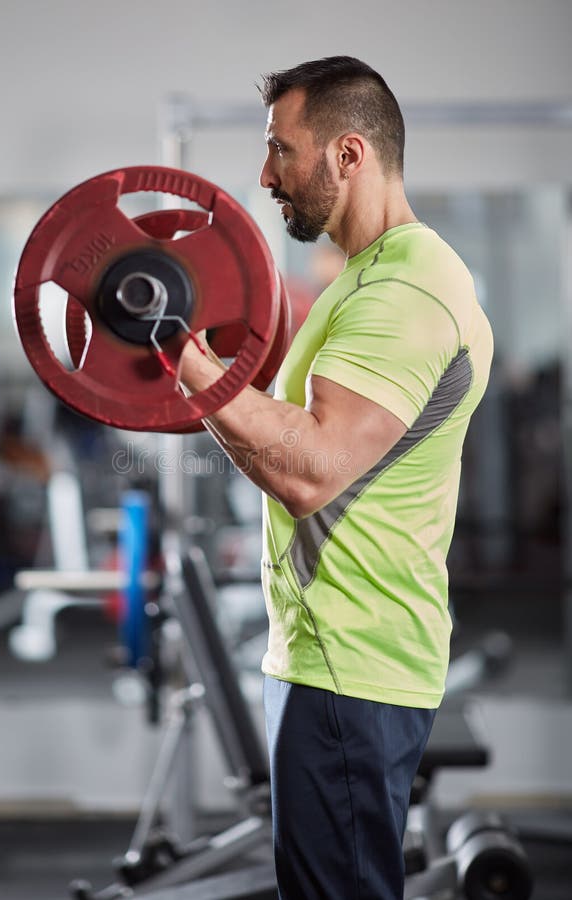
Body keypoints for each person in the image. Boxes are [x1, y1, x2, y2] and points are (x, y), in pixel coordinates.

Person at [180, 56, 493, 900]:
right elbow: (285, 455)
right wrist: (197, 371)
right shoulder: (369, 278)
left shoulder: (406, 290)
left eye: (282, 149)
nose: (266, 175)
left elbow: (309, 470)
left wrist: (182, 355)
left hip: (349, 669)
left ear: (349, 154)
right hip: (335, 661)